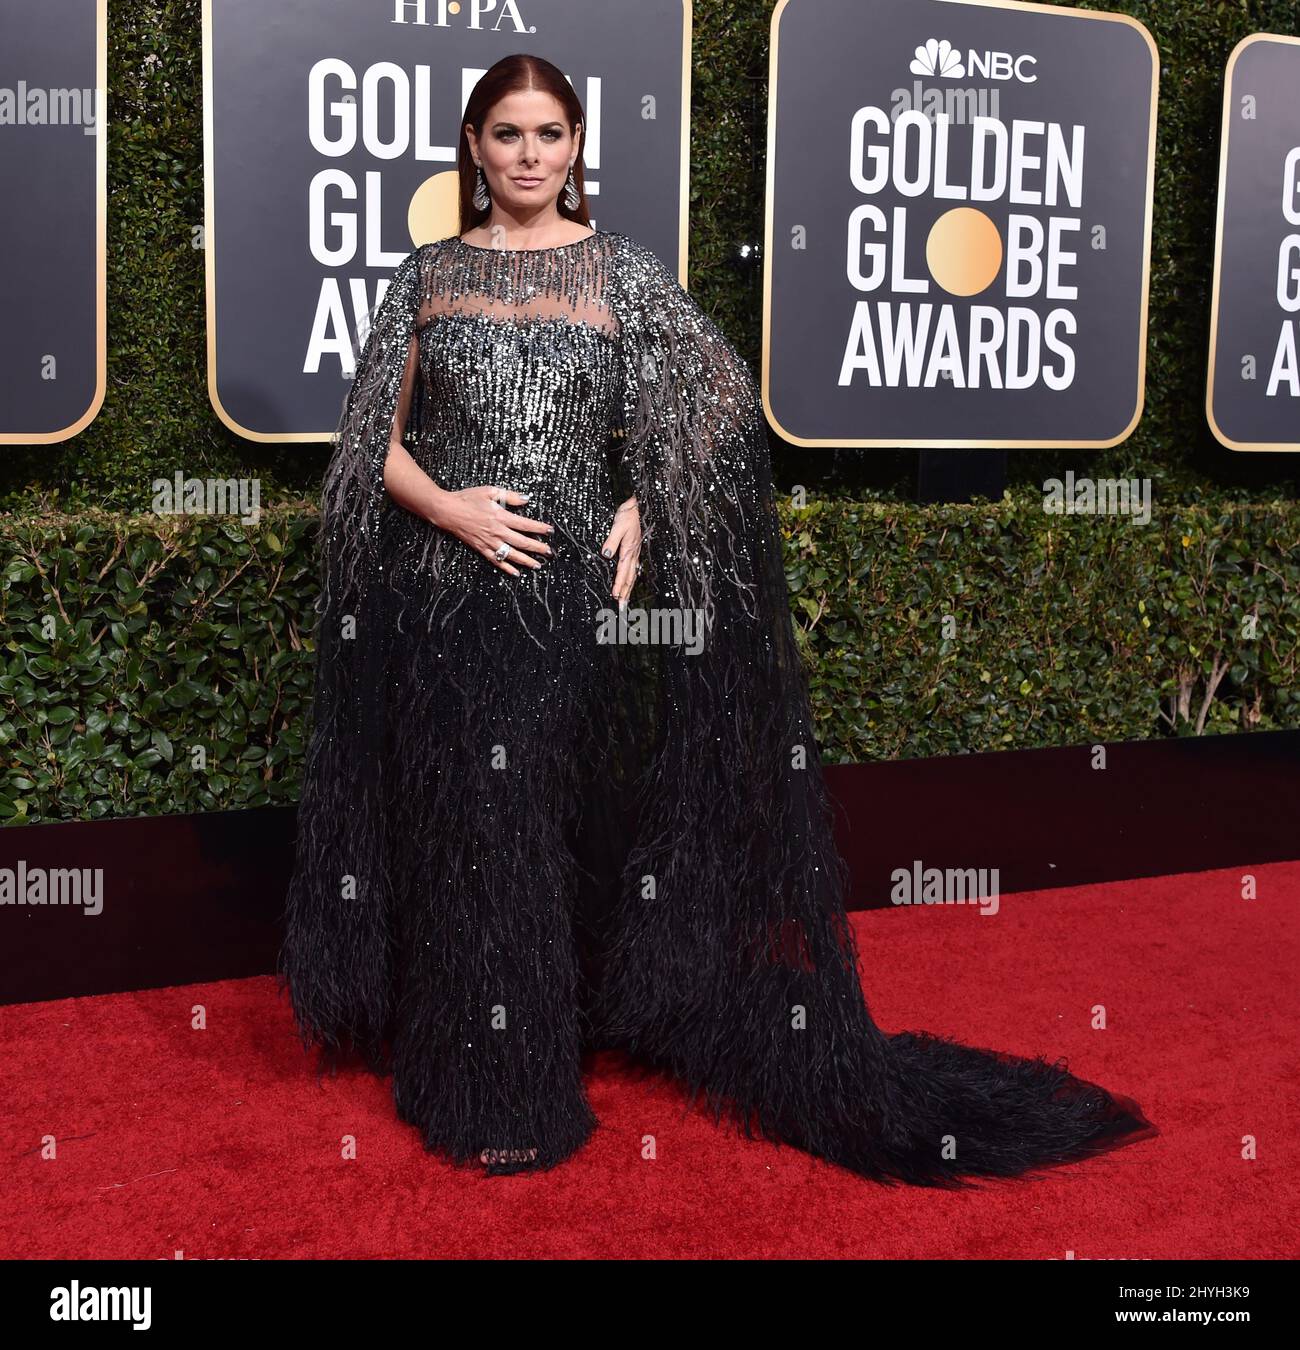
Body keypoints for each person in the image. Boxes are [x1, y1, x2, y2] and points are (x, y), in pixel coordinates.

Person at [277, 54, 1159, 1182]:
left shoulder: (624, 276)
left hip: (568, 609)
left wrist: (649, 498)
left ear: (577, 147)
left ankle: (529, 1057)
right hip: (445, 599)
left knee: (534, 828)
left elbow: (720, 411)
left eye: (549, 134)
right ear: (473, 148)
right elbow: (367, 447)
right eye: (508, 135)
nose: (530, 156)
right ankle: (479, 1083)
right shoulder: (427, 275)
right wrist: (452, 508)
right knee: (468, 836)